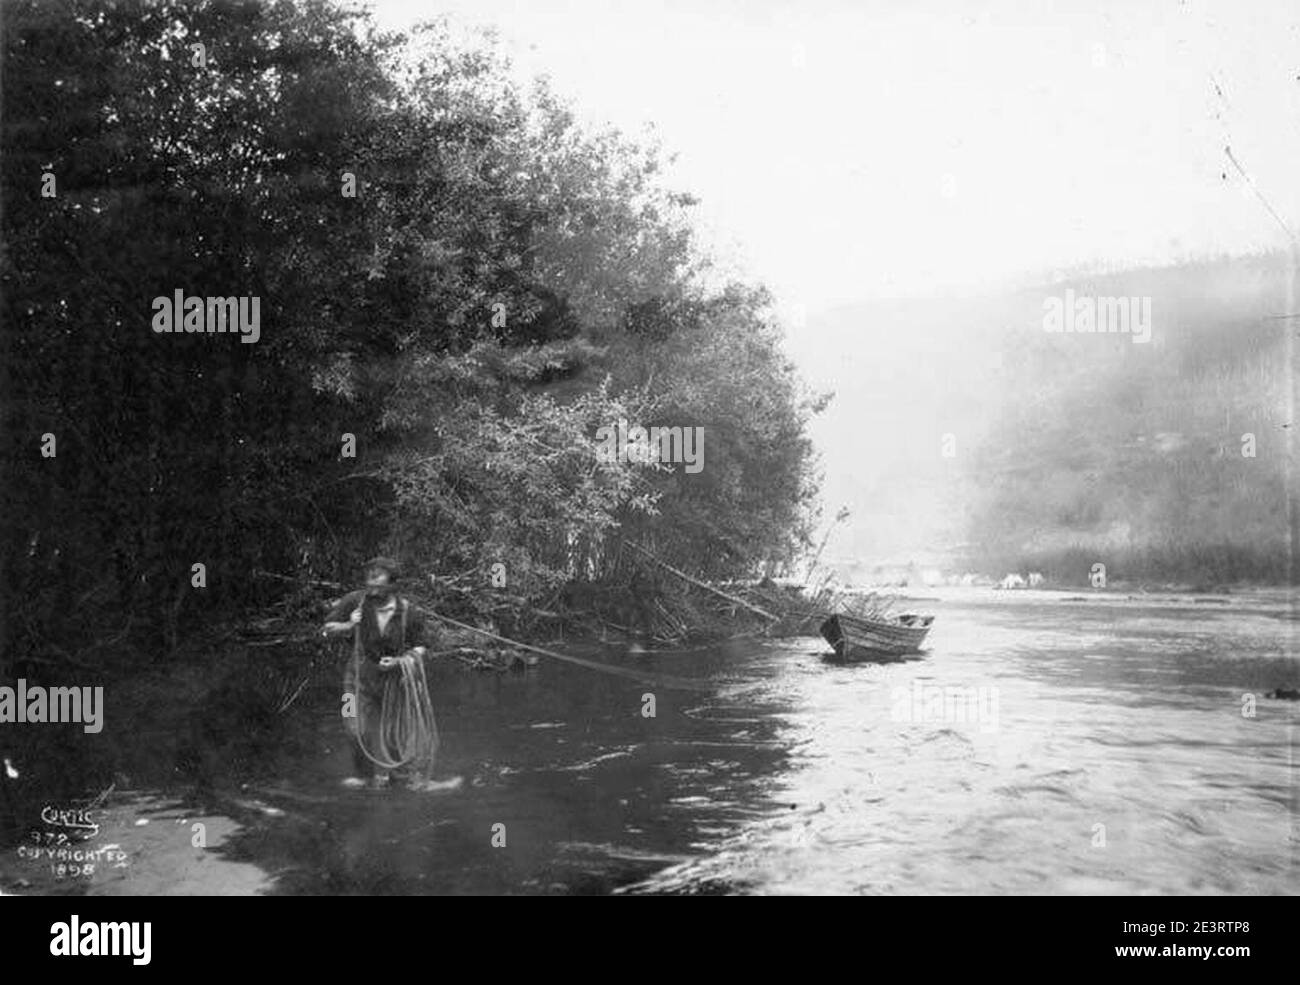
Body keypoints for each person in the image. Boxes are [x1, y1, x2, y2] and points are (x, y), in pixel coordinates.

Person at [322, 556, 429, 788]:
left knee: (395, 737)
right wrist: (349, 625)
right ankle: (366, 780)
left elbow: (421, 647)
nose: (371, 585)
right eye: (369, 579)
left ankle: (400, 783)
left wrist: (402, 661)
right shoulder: (353, 602)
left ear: (392, 583)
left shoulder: (410, 611)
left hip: (395, 682)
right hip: (355, 681)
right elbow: (327, 629)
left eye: (377, 580)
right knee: (353, 730)